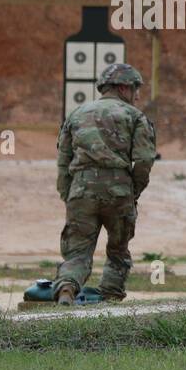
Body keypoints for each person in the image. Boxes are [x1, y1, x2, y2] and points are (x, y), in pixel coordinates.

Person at [52, 63, 157, 304]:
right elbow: (144, 160)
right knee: (118, 250)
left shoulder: (77, 114)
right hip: (119, 191)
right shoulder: (135, 116)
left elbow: (63, 160)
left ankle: (67, 287)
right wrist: (133, 192)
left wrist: (68, 194)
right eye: (135, 89)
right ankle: (110, 297)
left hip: (81, 189)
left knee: (77, 251)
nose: (138, 95)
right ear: (123, 88)